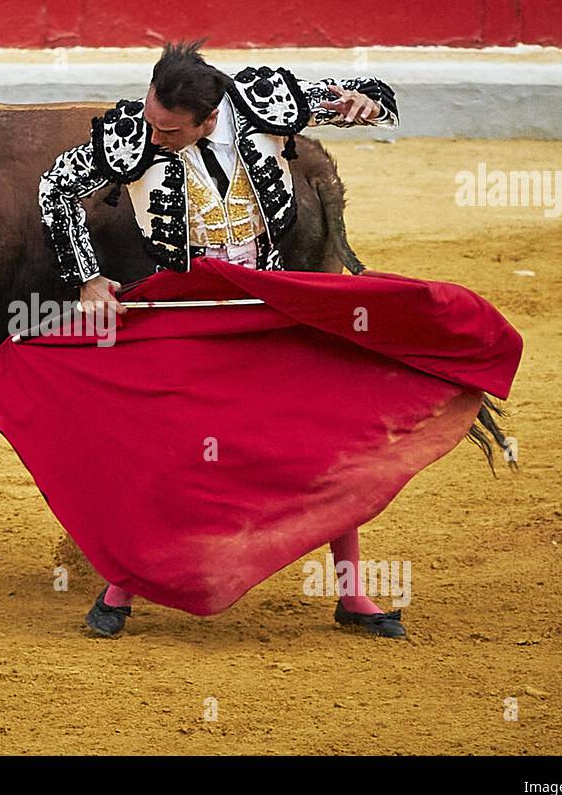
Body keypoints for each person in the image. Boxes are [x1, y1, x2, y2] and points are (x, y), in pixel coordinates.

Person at [36, 39, 406, 639]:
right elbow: (56, 190)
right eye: (152, 118)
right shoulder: (132, 133)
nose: (153, 137)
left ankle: (351, 594)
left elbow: (358, 101)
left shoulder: (264, 105)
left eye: (169, 131)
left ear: (210, 117)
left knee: (324, 440)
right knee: (170, 452)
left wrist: (368, 100)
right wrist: (86, 278)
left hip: (270, 306)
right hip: (188, 312)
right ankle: (119, 589)